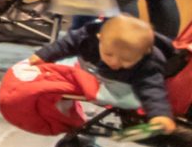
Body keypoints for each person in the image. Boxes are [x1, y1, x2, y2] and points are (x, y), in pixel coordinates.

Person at [38, 12, 182, 136]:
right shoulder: (90, 37)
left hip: (121, 84)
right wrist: (43, 55)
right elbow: (68, 43)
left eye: (126, 60)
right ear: (99, 38)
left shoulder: (148, 63)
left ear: (144, 54)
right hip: (94, 68)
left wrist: (160, 114)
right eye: (109, 54)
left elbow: (153, 89)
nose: (115, 62)